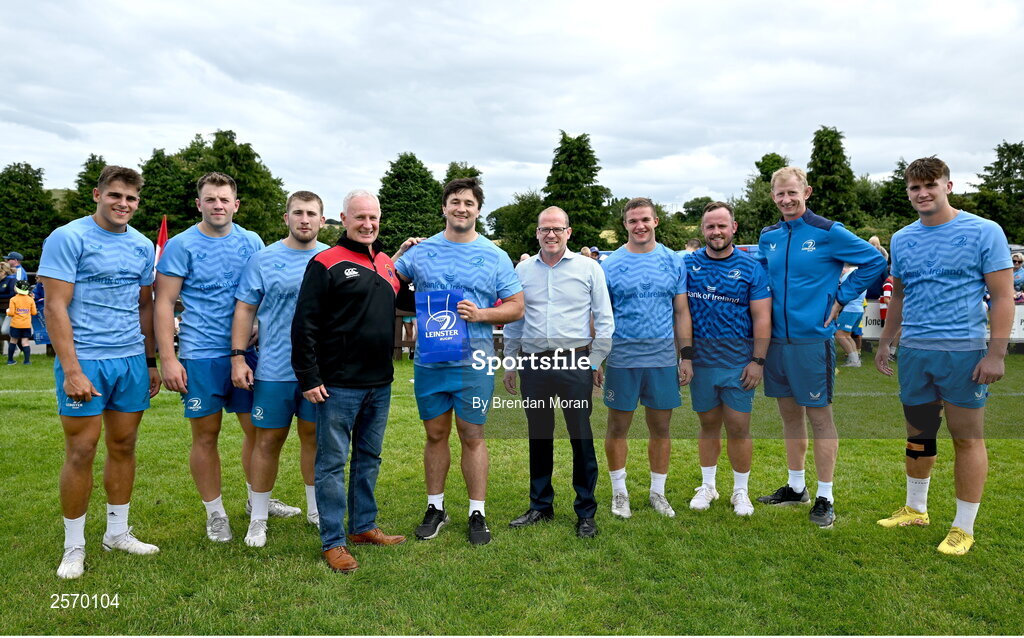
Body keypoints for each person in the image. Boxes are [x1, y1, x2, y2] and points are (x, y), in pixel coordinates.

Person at [875, 156, 1015, 555]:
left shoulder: (983, 231)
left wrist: (996, 354)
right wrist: (887, 341)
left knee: (966, 439)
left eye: (930, 185)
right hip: (916, 353)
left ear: (947, 187)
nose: (922, 193)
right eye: (914, 188)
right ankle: (916, 508)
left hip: (963, 353)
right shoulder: (902, 238)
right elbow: (899, 296)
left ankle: (963, 527)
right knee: (919, 435)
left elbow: (1003, 297)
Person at [155, 172, 294, 543]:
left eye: (224, 199)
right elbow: (164, 303)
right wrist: (167, 358)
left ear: (236, 204)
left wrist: (261, 329)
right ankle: (215, 514)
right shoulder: (181, 245)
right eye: (210, 199)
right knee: (206, 435)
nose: (218, 205)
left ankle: (256, 502)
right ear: (199, 204)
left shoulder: (251, 241)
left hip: (247, 354)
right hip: (200, 354)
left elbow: (264, 292)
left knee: (258, 431)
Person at [37, 165, 161, 580]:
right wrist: (71, 369)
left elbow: (145, 306)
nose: (123, 204)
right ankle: (74, 547)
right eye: (115, 196)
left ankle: (117, 532)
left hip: (129, 361)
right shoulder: (68, 237)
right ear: (97, 194)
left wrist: (149, 361)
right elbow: (54, 306)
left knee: (124, 446)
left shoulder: (143, 246)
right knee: (81, 451)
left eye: (131, 198)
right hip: (85, 359)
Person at [395, 177, 524, 546]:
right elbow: (384, 284)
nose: (461, 208)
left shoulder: (495, 256)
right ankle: (436, 507)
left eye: (468, 202)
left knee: (473, 436)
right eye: (455, 202)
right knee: (435, 435)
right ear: (444, 207)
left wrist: (482, 314)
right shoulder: (420, 252)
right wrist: (399, 252)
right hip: (431, 363)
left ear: (478, 210)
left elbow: (517, 306)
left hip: (475, 364)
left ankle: (476, 511)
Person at [292, 189, 416, 573]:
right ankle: (333, 541)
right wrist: (309, 376)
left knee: (369, 458)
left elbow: (407, 303)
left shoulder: (384, 263)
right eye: (359, 217)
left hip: (380, 382)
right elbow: (304, 324)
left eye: (373, 218)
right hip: (338, 385)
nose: (367, 225)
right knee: (331, 463)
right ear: (343, 220)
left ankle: (363, 526)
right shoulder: (325, 262)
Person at [756, 166, 887, 528]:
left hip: (813, 340)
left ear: (807, 192)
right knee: (789, 416)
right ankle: (796, 488)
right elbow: (761, 280)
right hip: (776, 342)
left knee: (819, 417)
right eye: (780, 194)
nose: (786, 199)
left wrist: (842, 297)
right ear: (773, 196)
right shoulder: (769, 235)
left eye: (792, 193)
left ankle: (826, 496)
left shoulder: (829, 231)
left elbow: (875, 260)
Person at [502, 207, 614, 538]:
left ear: (569, 231)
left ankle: (586, 510)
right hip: (534, 363)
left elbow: (604, 317)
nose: (551, 234)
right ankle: (540, 505)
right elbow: (516, 318)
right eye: (544, 229)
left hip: (574, 362)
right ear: (536, 233)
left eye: (557, 228)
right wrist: (510, 360)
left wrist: (594, 360)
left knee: (580, 436)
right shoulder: (522, 270)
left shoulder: (589, 268)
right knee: (539, 435)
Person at [230, 191, 329, 548]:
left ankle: (317, 510)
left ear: (322, 220)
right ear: (286, 217)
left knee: (314, 439)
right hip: (274, 369)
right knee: (267, 440)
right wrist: (238, 357)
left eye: (312, 214)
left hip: (319, 371)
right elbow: (244, 309)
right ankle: (258, 518)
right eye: (298, 213)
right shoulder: (264, 258)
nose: (304, 219)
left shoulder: (332, 259)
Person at [602, 197, 691, 519]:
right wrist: (597, 357)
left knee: (661, 429)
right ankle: (619, 493)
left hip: (662, 360)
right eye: (632, 221)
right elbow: (600, 315)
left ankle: (658, 493)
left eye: (645, 220)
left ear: (656, 222)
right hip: (622, 359)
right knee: (617, 427)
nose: (639, 226)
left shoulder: (673, 261)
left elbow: (681, 312)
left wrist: (687, 356)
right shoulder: (609, 264)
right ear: (624, 225)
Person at [684, 202, 771, 516]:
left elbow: (762, 318)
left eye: (722, 225)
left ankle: (740, 491)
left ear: (734, 227)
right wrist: (686, 357)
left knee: (738, 427)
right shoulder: (689, 264)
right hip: (702, 363)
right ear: (702, 230)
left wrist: (757, 361)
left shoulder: (751, 267)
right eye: (710, 226)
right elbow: (681, 313)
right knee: (708, 424)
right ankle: (708, 486)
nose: (716, 232)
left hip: (738, 363)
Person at [835, 265, 867, 367]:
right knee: (847, 335)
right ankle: (855, 360)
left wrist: (836, 310)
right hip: (858, 309)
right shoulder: (857, 275)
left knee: (839, 334)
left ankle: (853, 360)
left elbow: (842, 297)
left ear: (843, 268)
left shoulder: (846, 277)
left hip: (850, 310)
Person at [7, 279, 37, 364]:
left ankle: (10, 360)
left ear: (17, 289)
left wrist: (7, 312)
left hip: (15, 324)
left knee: (13, 340)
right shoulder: (30, 299)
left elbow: (11, 313)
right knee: (25, 341)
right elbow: (34, 312)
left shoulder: (13, 299)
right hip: (26, 325)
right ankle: (26, 361)